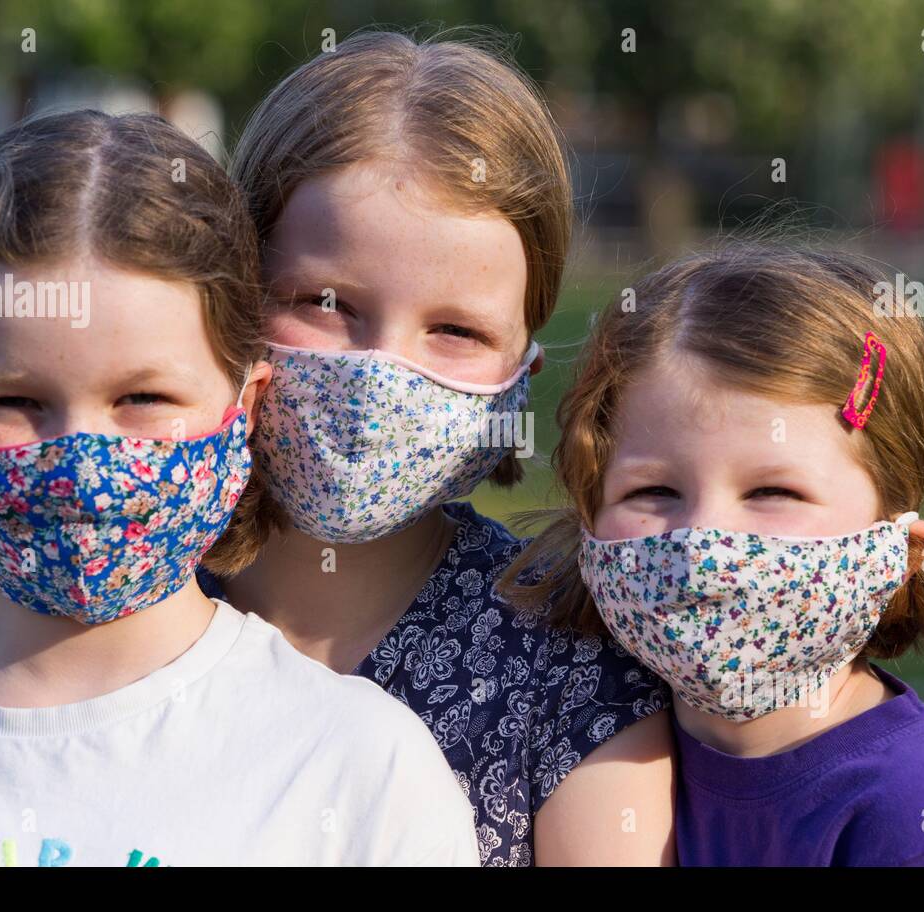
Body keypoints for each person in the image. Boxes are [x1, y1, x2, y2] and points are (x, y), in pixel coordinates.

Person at [0, 110, 479, 867]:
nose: (82, 469)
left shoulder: (359, 767)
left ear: (247, 407)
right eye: (12, 401)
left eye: (143, 400)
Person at [209, 30, 675, 865]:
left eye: (455, 329)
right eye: (325, 302)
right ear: (231, 297)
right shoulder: (130, 605)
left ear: (523, 366)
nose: (378, 373)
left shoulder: (571, 670)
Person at [502, 245, 924, 866]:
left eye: (772, 491)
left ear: (901, 551)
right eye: (653, 490)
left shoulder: (917, 826)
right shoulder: (587, 714)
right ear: (588, 517)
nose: (701, 543)